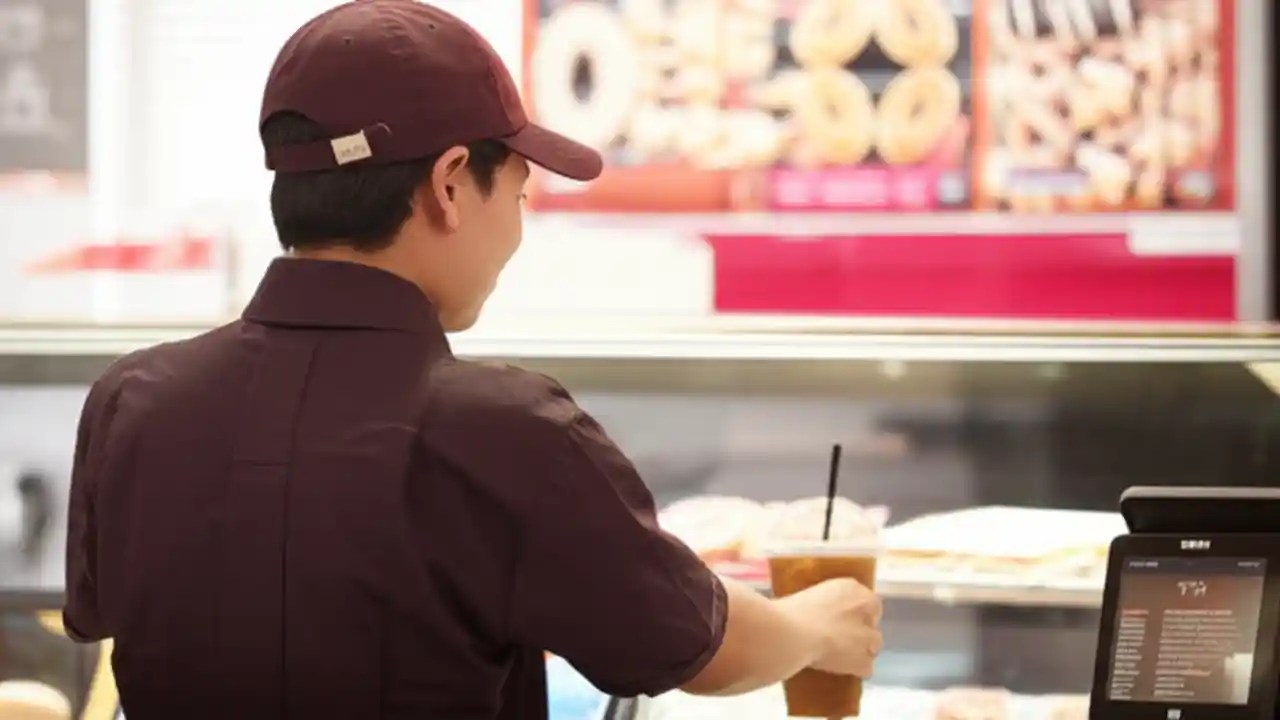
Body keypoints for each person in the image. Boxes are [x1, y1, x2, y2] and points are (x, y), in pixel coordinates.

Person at [62, 1, 882, 718]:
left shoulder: (131, 399)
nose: (517, 233)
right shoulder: (505, 431)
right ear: (451, 184)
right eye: (519, 192)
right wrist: (816, 626)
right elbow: (698, 648)